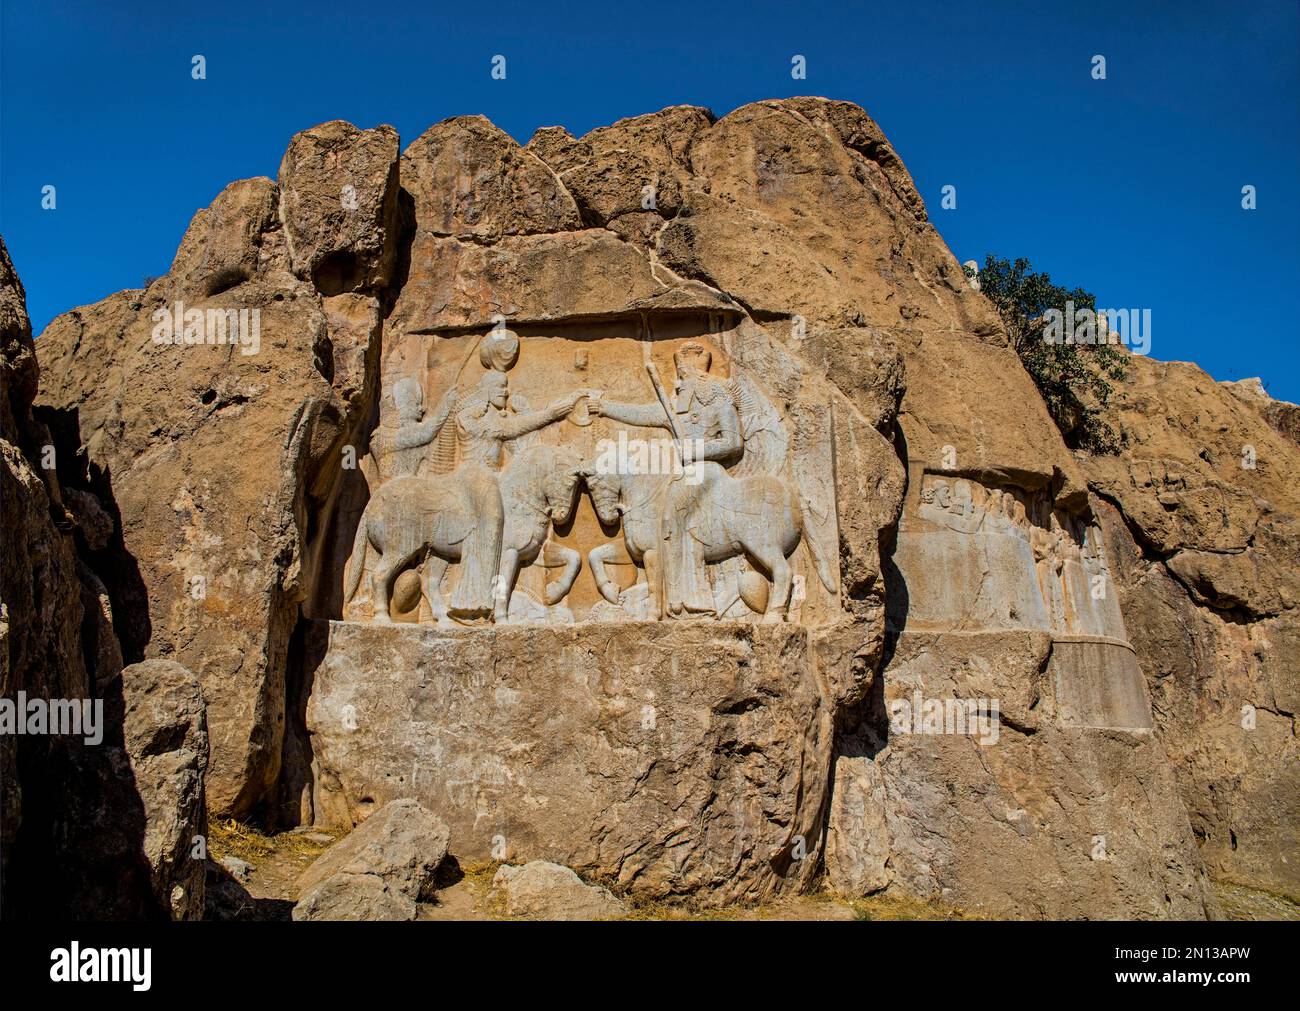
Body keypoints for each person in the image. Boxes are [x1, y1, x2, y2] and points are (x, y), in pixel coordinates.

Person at [589, 343, 742, 616]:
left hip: (707, 472)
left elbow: (733, 443)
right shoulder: (676, 411)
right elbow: (642, 414)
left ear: (699, 379)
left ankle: (692, 599)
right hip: (685, 476)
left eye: (682, 377)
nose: (677, 383)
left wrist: (695, 449)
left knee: (671, 514)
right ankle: (672, 594)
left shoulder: (721, 405)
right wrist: (604, 408)